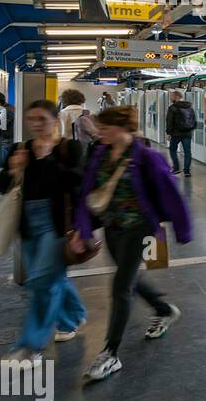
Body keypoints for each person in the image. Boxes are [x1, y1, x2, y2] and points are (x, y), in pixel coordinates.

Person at [75, 106, 191, 381]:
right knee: (129, 279)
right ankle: (164, 310)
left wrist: (182, 229)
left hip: (139, 228)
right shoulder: (100, 154)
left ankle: (110, 353)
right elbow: (88, 191)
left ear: (122, 128)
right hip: (113, 227)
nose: (99, 132)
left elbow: (171, 193)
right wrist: (83, 228)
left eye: (105, 128)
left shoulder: (147, 157)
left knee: (121, 287)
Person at [0, 100, 88, 364]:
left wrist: (48, 159)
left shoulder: (69, 148)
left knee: (42, 282)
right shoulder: (20, 149)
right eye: (31, 119)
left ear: (55, 121)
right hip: (26, 222)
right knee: (52, 277)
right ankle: (72, 317)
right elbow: (0, 185)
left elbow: (76, 182)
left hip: (55, 223)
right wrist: (14, 169)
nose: (36, 124)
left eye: (42, 119)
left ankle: (30, 346)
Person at [165, 89, 196, 176]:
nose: (170, 98)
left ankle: (176, 168)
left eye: (171, 96)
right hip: (187, 133)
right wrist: (190, 129)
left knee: (172, 150)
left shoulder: (172, 108)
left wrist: (168, 133)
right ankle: (187, 171)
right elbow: (193, 120)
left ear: (176, 97)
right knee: (187, 152)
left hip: (176, 134)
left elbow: (169, 121)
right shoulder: (189, 107)